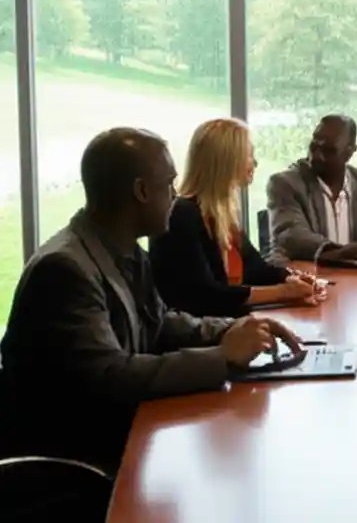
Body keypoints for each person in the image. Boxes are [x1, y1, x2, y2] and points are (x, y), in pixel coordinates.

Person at [0, 128, 301, 471]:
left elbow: (160, 323)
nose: (175, 194)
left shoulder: (123, 250)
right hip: (68, 466)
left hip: (115, 440)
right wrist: (221, 357)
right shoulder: (65, 270)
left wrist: (235, 330)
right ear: (142, 191)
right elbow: (109, 376)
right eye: (169, 183)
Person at [150, 118, 325, 317]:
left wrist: (292, 279)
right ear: (227, 161)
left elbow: (255, 269)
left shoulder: (222, 212)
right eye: (249, 155)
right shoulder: (182, 215)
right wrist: (284, 293)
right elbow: (205, 296)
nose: (255, 162)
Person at [266, 114, 357, 265]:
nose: (316, 156)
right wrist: (346, 251)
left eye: (328, 151)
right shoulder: (286, 184)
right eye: (314, 145)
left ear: (349, 152)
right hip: (307, 282)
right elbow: (293, 237)